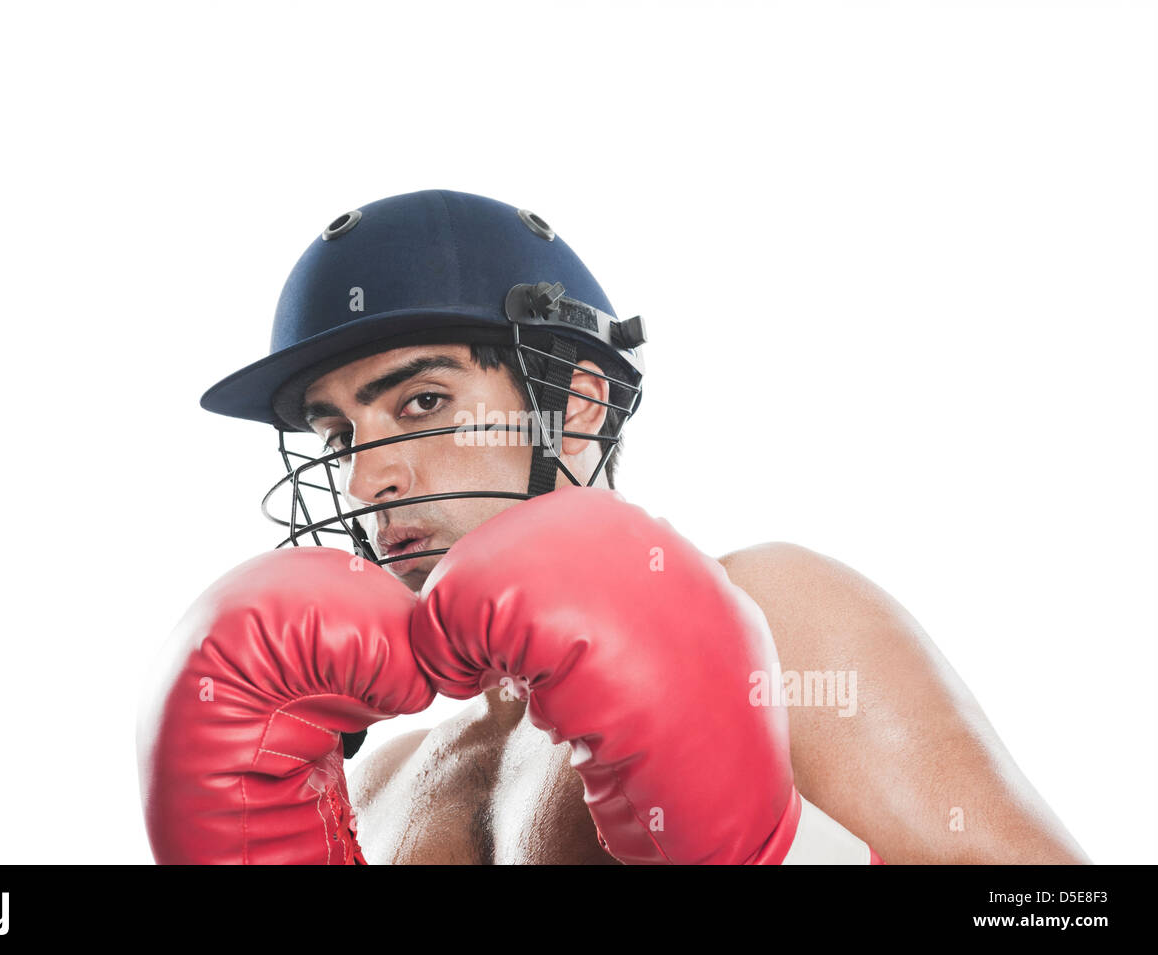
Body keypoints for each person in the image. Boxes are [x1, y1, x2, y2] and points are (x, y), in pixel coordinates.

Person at [137, 189, 1088, 865]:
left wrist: (792, 859)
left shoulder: (781, 618)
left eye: (421, 401)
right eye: (339, 432)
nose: (367, 472)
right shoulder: (376, 778)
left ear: (576, 404)